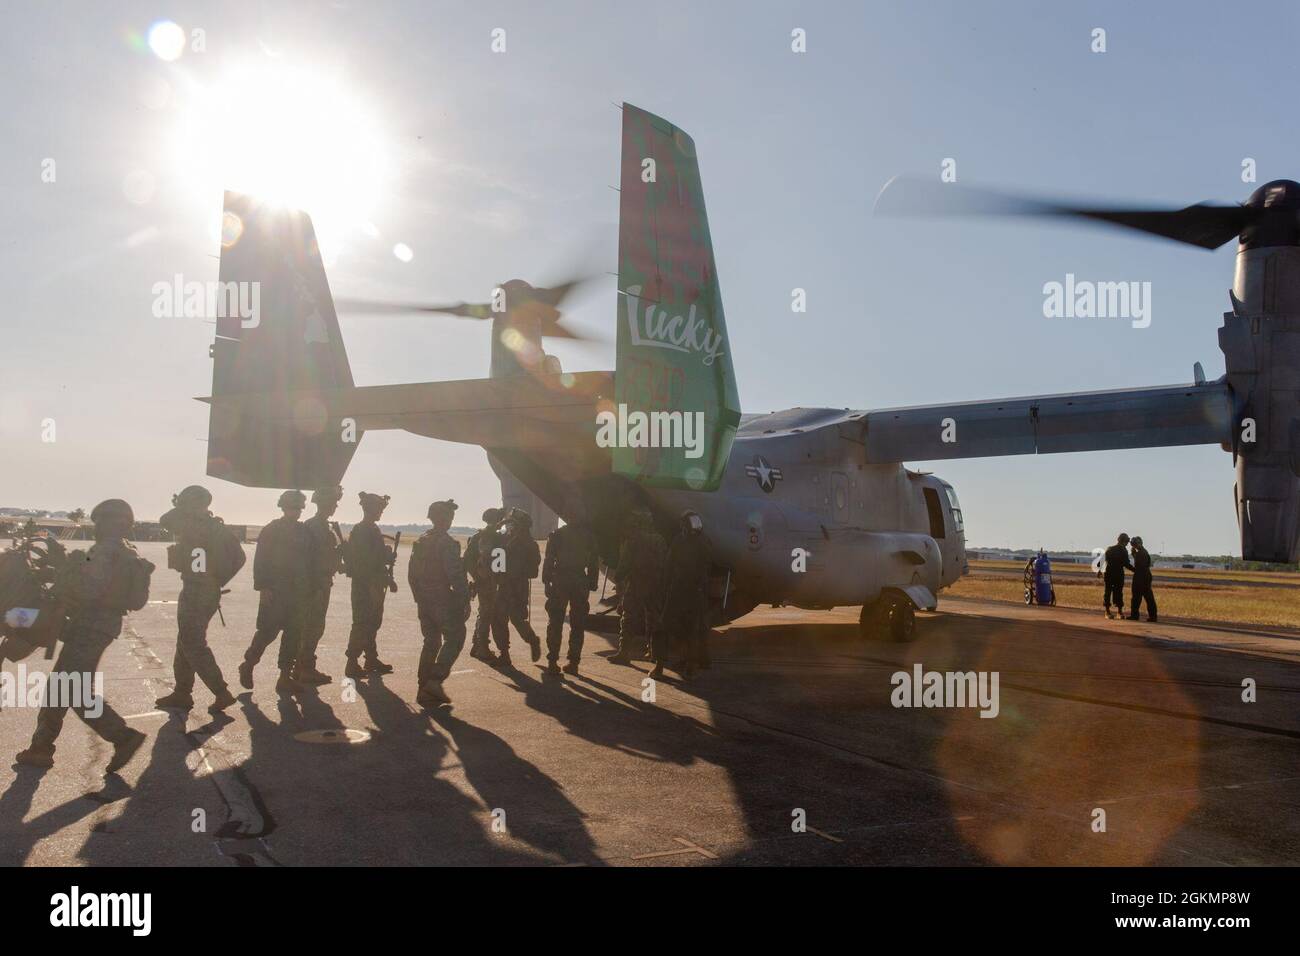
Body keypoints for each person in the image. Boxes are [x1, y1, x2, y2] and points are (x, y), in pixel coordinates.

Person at [15, 499, 152, 772]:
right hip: (97, 624)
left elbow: (88, 588)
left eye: (101, 521)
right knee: (60, 686)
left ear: (114, 522)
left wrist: (66, 569)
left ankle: (122, 737)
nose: (97, 526)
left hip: (92, 625)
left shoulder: (106, 550)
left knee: (73, 689)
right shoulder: (124, 551)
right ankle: (41, 747)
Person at [154, 485, 243, 713]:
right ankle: (182, 693)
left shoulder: (189, 524)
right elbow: (239, 557)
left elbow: (165, 520)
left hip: (196, 591)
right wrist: (218, 580)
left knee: (192, 643)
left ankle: (221, 692)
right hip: (206, 590)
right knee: (186, 639)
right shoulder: (216, 527)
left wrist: (179, 505)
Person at [240, 490, 312, 692]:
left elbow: (309, 561)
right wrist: (263, 587)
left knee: (293, 635)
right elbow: (260, 560)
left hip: (298, 592)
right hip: (276, 590)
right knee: (267, 633)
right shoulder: (271, 530)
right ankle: (248, 664)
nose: (295, 512)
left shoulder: (304, 532)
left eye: (298, 508)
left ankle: (284, 677)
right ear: (283, 508)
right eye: (291, 508)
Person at [410, 500, 471, 707]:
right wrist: (464, 599)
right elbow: (454, 574)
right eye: (449, 517)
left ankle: (423, 688)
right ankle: (435, 681)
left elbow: (412, 574)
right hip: (442, 599)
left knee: (431, 642)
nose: (451, 520)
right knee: (456, 637)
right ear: (444, 519)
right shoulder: (447, 543)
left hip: (424, 599)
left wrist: (419, 596)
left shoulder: (422, 540)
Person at [296, 485, 345, 685]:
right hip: (314, 585)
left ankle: (304, 666)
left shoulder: (326, 526)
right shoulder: (314, 526)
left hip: (322, 582)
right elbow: (307, 558)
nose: (334, 506)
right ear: (323, 504)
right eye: (332, 503)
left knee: (315, 627)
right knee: (311, 627)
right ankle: (303, 668)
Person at [345, 492, 396, 679]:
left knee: (373, 623)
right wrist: (372, 586)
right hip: (365, 584)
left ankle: (371, 658)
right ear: (370, 509)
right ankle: (352, 662)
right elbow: (363, 563)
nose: (380, 512)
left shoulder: (372, 529)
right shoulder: (362, 530)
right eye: (378, 509)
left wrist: (386, 560)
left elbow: (376, 558)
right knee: (362, 623)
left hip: (374, 583)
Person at [541, 514, 600, 676]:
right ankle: (573, 663)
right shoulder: (588, 537)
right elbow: (594, 562)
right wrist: (592, 582)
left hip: (560, 580)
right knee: (577, 623)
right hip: (580, 581)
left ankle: (552, 661)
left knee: (555, 621)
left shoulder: (557, 535)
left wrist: (547, 581)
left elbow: (549, 560)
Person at [609, 508, 667, 665]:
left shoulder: (633, 540)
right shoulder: (659, 540)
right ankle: (653, 652)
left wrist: (619, 577)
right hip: (654, 585)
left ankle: (624, 652)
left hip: (636, 584)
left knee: (628, 618)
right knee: (653, 619)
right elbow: (664, 563)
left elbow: (625, 563)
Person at [659, 510, 711, 679]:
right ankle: (691, 661)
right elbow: (705, 569)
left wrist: (666, 587)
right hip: (691, 590)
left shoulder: (683, 541)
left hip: (683, 590)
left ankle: (664, 664)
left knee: (667, 626)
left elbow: (669, 565)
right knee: (690, 628)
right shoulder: (702, 541)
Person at [489, 508, 542, 668]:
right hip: (510, 585)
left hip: (512, 586)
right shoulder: (516, 541)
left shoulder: (516, 542)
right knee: (507, 619)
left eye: (513, 523)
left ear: (520, 526)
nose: (510, 526)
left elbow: (533, 571)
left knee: (508, 619)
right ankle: (507, 652)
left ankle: (519, 646)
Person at [464, 507, 505, 664]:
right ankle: (482, 648)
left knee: (483, 612)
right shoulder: (495, 538)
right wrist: (498, 578)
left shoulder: (478, 536)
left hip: (482, 580)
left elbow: (467, 559)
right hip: (489, 581)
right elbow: (499, 562)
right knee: (487, 613)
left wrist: (476, 575)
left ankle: (477, 645)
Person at [1099, 532, 1134, 619]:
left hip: (1109, 573)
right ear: (1124, 541)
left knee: (1108, 592)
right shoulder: (1123, 551)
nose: (1127, 544)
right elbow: (1126, 564)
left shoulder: (1110, 549)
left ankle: (1108, 611)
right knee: (1118, 592)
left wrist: (1099, 571)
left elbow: (1101, 561)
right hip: (1117, 574)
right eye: (1126, 542)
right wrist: (1136, 570)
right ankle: (1118, 612)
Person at [1128, 535, 1158, 622]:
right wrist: (1134, 554)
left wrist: (1134, 555)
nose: (1134, 545)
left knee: (1137, 597)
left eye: (1135, 544)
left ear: (1139, 543)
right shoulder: (1143, 552)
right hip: (1145, 576)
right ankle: (1153, 616)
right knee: (1148, 597)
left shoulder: (1141, 553)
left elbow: (1139, 566)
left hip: (1141, 576)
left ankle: (1135, 615)